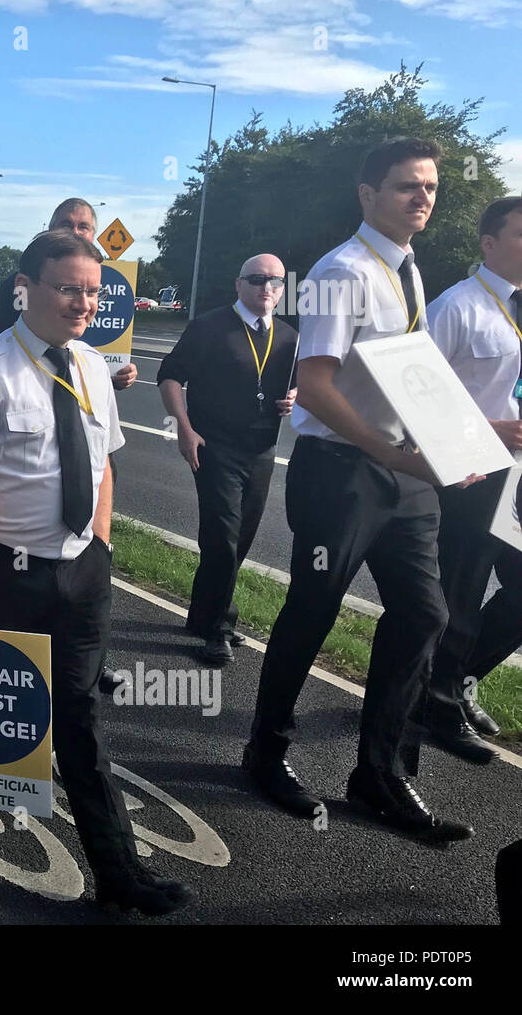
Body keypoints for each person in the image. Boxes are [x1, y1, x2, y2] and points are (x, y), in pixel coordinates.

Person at [0, 229, 193, 914]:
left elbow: (104, 462)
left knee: (79, 720)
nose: (84, 302)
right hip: (6, 576)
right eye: (69, 288)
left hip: (82, 573)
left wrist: (101, 545)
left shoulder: (91, 367)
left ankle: (118, 876)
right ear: (29, 288)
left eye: (93, 291)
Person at [243, 138, 474, 843]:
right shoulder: (342, 271)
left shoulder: (409, 270)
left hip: (400, 474)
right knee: (311, 611)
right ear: (368, 195)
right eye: (407, 186)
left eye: (430, 187)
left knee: (425, 615)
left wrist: (457, 437)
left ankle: (378, 772)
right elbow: (314, 385)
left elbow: (410, 370)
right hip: (341, 472)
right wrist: (395, 455)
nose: (423, 198)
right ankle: (266, 753)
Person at [157, 254, 298, 664]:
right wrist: (184, 427)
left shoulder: (289, 337)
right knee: (222, 537)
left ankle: (203, 616)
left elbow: (303, 384)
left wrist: (295, 398)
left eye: (274, 280)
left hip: (261, 450)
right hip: (213, 446)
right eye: (256, 279)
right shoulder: (209, 327)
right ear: (239, 284)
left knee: (240, 541)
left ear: (283, 289)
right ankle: (218, 629)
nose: (265, 287)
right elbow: (170, 376)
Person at [423, 196, 522, 763]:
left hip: (512, 473)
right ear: (488, 244)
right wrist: (493, 428)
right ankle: (435, 705)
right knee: (459, 592)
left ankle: (459, 679)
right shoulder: (456, 308)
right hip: (466, 469)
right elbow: (419, 401)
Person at [0, 197, 138, 390]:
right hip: (23, 386)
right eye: (66, 224)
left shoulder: (113, 286)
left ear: (94, 235)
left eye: (83, 227)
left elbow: (106, 355)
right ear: (51, 229)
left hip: (85, 391)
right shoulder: (24, 284)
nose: (74, 232)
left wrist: (119, 372)